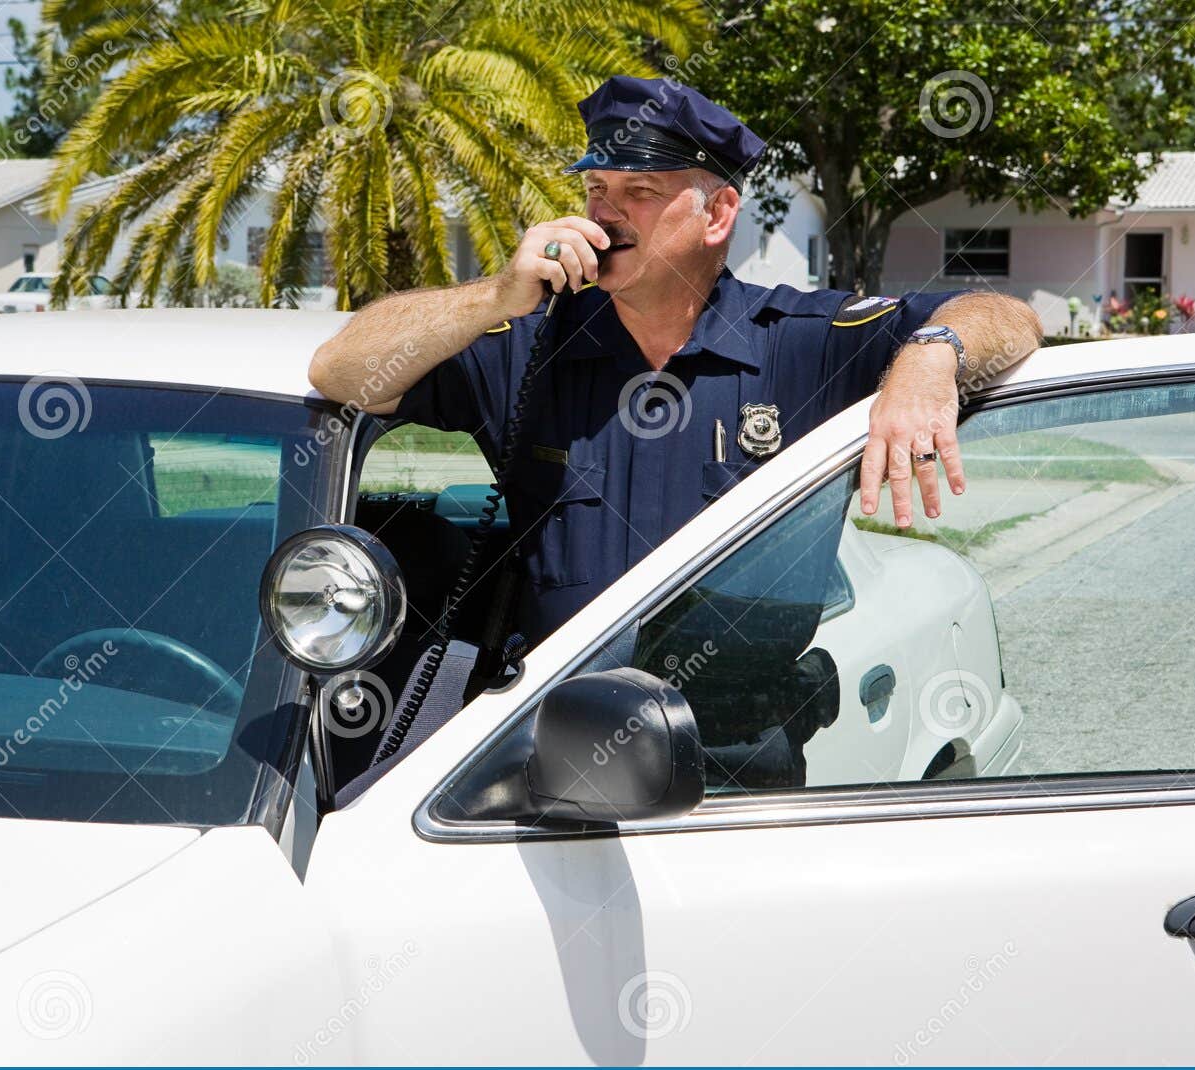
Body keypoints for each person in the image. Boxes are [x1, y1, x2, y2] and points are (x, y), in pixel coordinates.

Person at [310, 75, 1042, 648]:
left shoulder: (796, 341)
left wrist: (928, 357)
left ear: (718, 214)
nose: (606, 214)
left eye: (641, 193)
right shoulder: (531, 342)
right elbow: (339, 371)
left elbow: (1010, 317)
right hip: (545, 739)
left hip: (740, 764)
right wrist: (494, 294)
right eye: (596, 190)